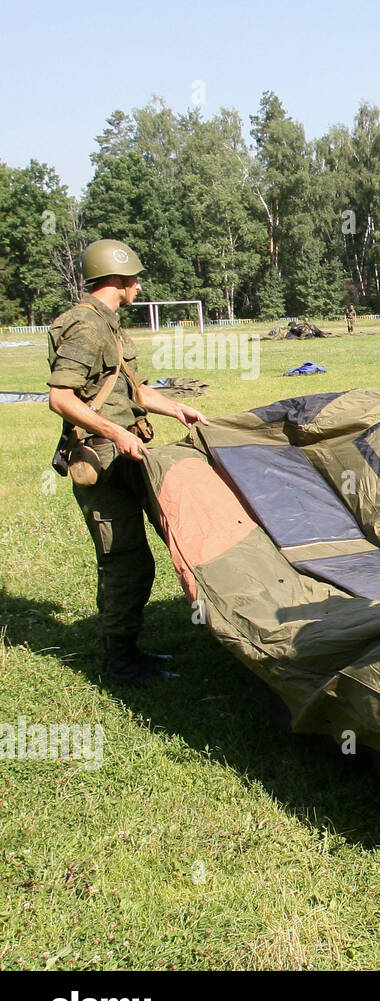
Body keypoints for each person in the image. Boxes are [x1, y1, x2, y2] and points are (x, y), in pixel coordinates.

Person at [47, 239, 210, 686]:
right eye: (135, 279)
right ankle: (120, 665)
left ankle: (133, 653)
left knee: (167, 542)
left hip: (126, 454)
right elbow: (60, 398)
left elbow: (132, 391)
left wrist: (176, 408)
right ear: (118, 280)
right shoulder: (86, 326)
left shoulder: (108, 324)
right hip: (102, 460)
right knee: (125, 563)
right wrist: (116, 432)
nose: (138, 286)